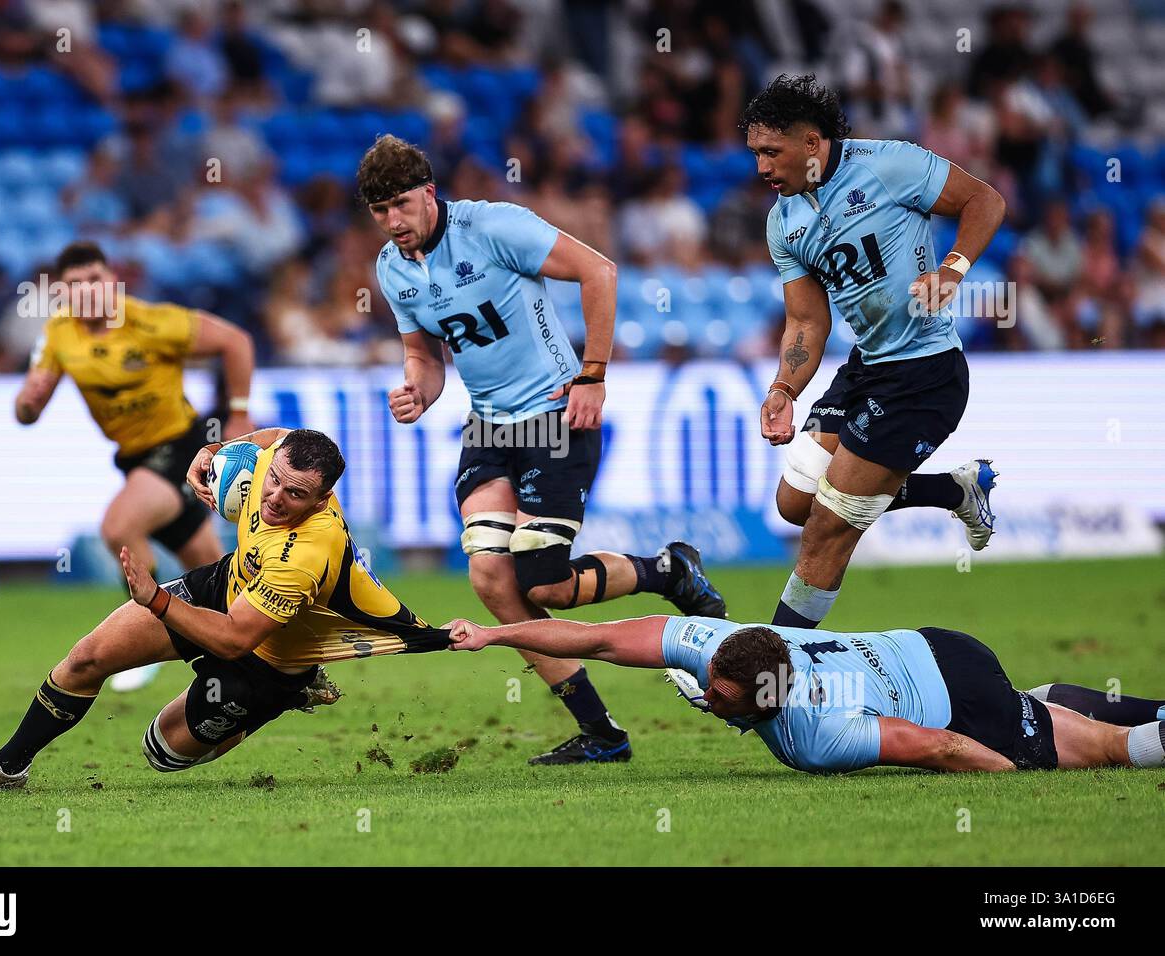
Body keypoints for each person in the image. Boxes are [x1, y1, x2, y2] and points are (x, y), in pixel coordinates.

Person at [361, 134, 726, 765]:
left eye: (400, 204)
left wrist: (593, 374)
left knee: (547, 585)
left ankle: (666, 571)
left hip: (555, 417)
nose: (393, 222)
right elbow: (425, 356)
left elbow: (599, 271)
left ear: (428, 193)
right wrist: (418, 393)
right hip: (489, 429)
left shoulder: (495, 227)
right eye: (379, 212)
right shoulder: (393, 270)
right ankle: (601, 732)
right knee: (490, 575)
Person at [0, 428, 450, 793]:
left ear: (322, 499)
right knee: (89, 657)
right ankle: (7, 763)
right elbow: (276, 438)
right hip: (226, 584)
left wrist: (155, 598)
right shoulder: (282, 459)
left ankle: (287, 693)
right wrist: (216, 448)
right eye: (276, 481)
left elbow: (231, 641)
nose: (275, 498)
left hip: (265, 653)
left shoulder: (307, 552)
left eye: (296, 494)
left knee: (163, 752)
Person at [744, 75, 1006, 630]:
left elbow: (985, 199)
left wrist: (952, 269)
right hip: (866, 368)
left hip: (925, 376)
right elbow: (806, 321)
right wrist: (783, 388)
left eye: (772, 152)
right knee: (794, 504)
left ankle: (773, 665)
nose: (762, 168)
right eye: (756, 153)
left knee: (826, 529)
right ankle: (954, 488)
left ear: (811, 143)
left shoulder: (891, 166)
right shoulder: (783, 221)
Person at [446, 614, 1165, 775]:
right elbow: (598, 639)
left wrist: (1015, 768)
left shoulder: (817, 738)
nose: (707, 696)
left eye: (721, 698)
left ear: (763, 703)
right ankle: (1042, 707)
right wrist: (496, 633)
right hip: (932, 643)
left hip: (959, 699)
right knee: (1038, 704)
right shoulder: (720, 644)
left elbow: (938, 745)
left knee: (1105, 749)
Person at [15, 241, 255, 690]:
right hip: (136, 460)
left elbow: (235, 341)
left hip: (182, 446)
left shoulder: (151, 321)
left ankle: (148, 628)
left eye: (94, 280)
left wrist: (239, 413)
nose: (86, 291)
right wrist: (28, 404)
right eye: (74, 285)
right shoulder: (59, 334)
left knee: (118, 526)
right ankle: (284, 667)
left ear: (112, 280)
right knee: (220, 580)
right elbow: (31, 403)